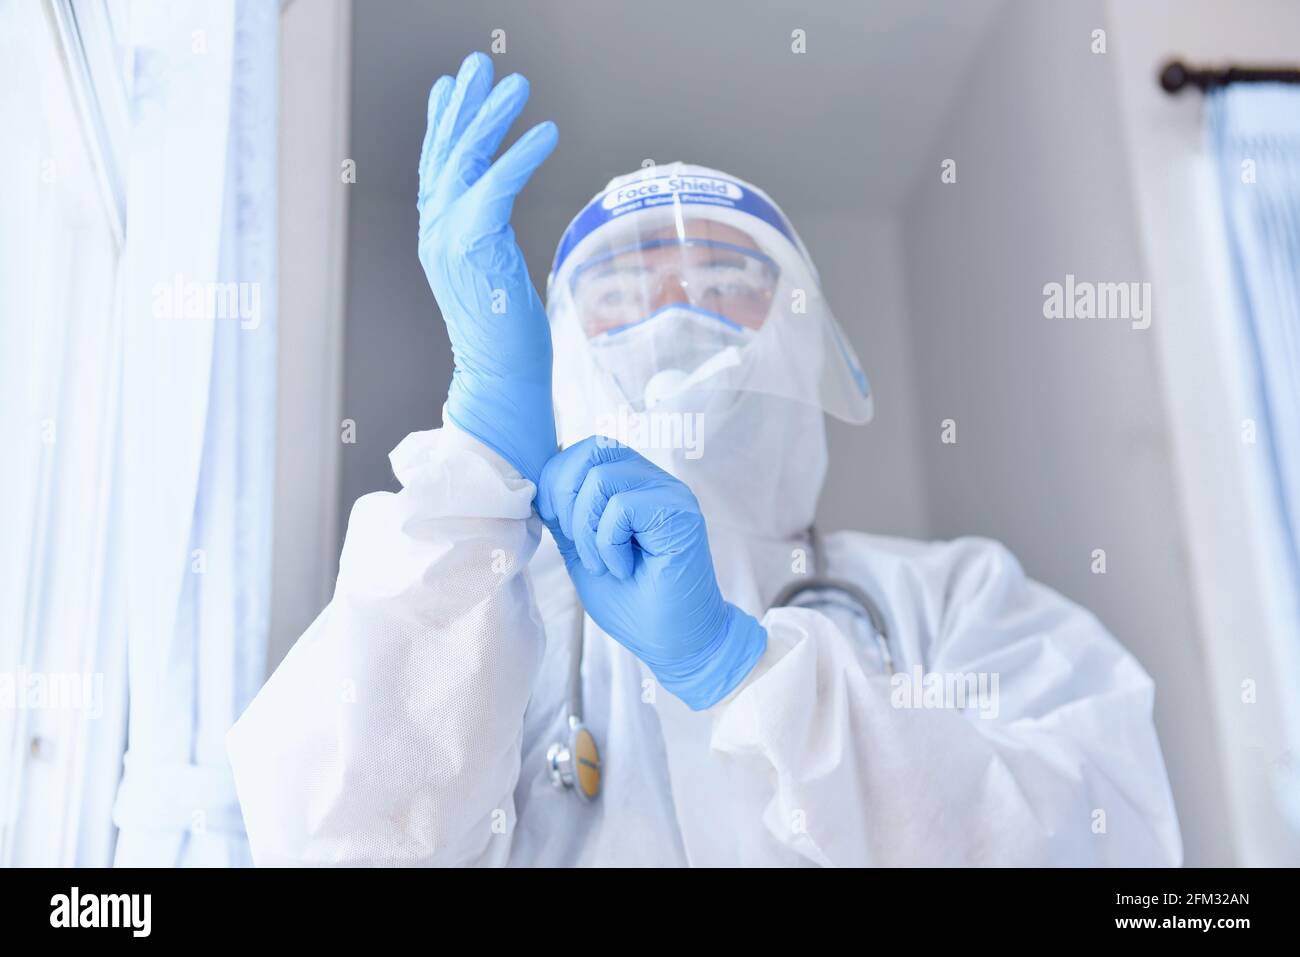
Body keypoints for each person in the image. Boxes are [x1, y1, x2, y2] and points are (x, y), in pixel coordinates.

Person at [226, 52, 1182, 866]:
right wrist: (476, 464)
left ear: (806, 342)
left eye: (726, 281)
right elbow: (339, 838)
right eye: (624, 290)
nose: (675, 308)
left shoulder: (955, 600)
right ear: (563, 352)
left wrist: (742, 670)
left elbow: (1107, 840)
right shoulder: (482, 606)